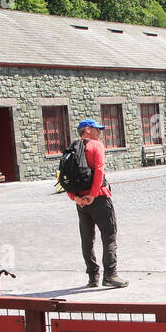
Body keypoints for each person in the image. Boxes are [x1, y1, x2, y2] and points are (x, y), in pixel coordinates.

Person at [68, 118, 127, 289]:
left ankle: (92, 277)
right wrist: (93, 195)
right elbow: (99, 170)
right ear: (87, 130)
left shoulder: (72, 148)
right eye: (96, 129)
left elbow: (65, 175)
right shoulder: (96, 145)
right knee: (109, 236)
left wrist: (75, 198)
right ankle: (110, 275)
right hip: (99, 198)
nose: (99, 132)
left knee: (87, 239)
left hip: (80, 202)